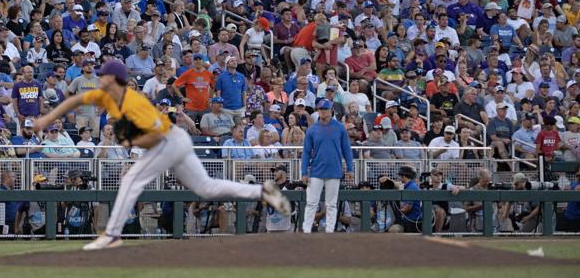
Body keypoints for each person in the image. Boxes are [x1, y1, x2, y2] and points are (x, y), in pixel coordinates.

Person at [33, 59, 289, 250]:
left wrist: (131, 140)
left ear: (116, 79)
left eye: (105, 76)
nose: (101, 79)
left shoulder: (134, 102)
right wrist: (46, 118)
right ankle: (262, 191)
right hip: (171, 142)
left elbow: (155, 137)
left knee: (131, 180)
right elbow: (75, 101)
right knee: (207, 188)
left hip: (168, 141)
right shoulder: (106, 96)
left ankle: (111, 234)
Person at [300, 104, 354, 233]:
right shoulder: (312, 129)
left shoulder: (340, 128)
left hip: (334, 170)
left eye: (325, 109)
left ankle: (330, 231)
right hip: (316, 171)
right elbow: (306, 152)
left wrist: (350, 168)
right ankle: (306, 230)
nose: (323, 112)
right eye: (320, 109)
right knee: (312, 202)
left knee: (331, 204)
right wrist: (304, 172)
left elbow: (347, 149)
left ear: (331, 111)